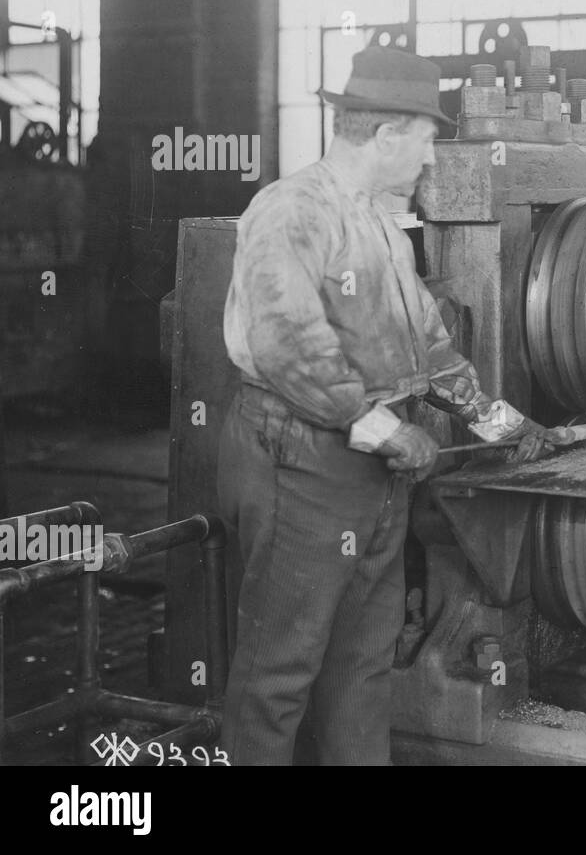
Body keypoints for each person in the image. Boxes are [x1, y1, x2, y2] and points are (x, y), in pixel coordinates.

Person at [216, 45, 553, 765]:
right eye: (428, 141)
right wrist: (381, 429)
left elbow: (427, 349)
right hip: (302, 462)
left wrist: (497, 422)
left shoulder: (377, 225)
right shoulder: (292, 209)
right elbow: (286, 343)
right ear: (389, 133)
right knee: (280, 670)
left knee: (361, 667)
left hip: (368, 476)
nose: (431, 160)